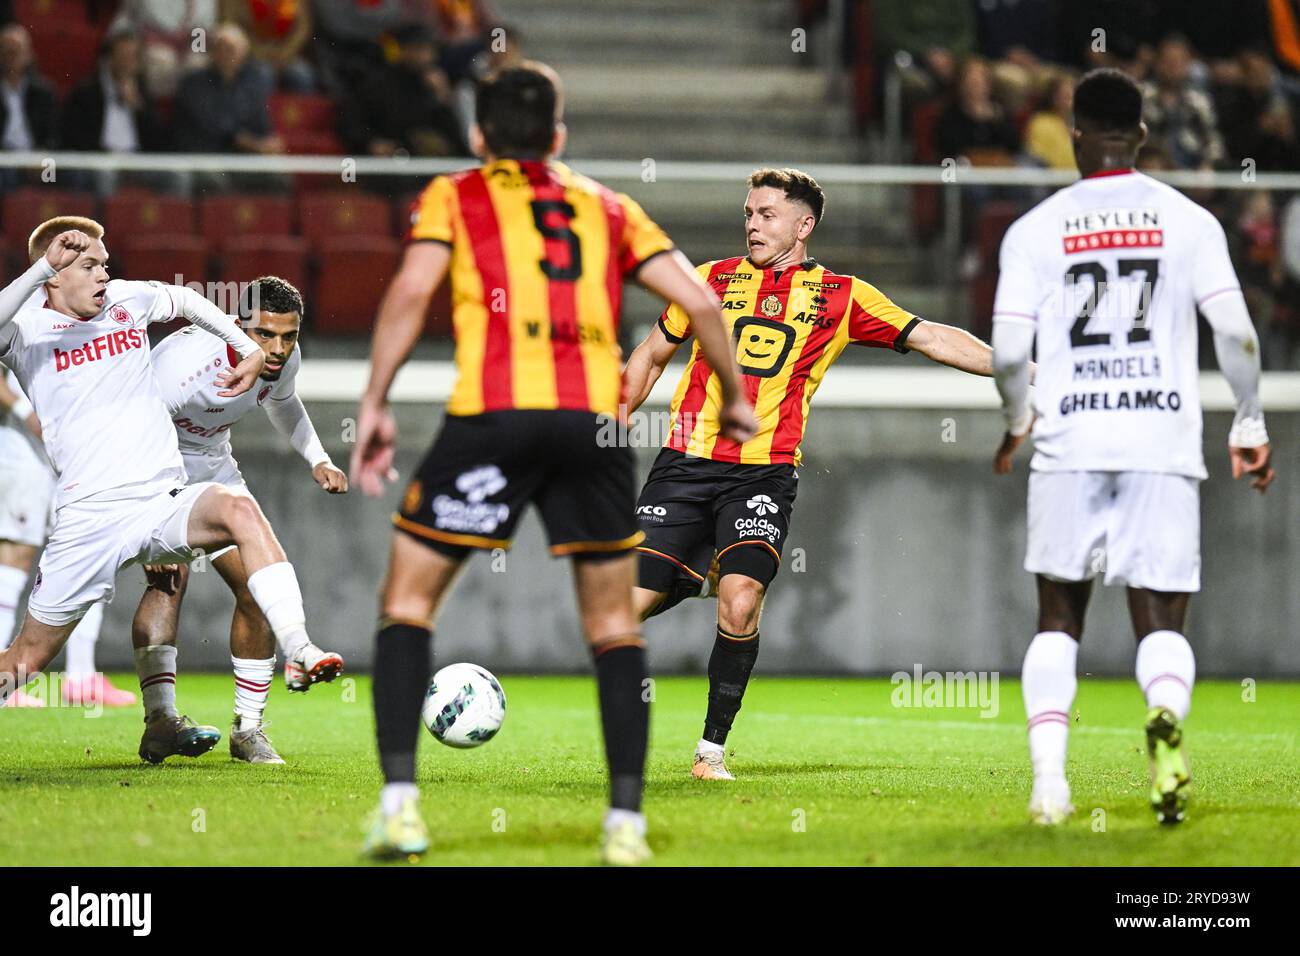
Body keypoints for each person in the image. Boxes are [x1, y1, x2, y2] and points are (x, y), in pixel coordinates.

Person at [350, 62, 757, 865]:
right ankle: (625, 829)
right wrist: (738, 399)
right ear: (560, 137)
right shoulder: (609, 208)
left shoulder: (455, 195)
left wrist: (374, 401)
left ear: (478, 135)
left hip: (492, 420)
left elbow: (409, 291)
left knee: (407, 603)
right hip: (591, 429)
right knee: (611, 623)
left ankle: (400, 810)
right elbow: (703, 302)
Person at [621, 167, 1003, 782]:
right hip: (684, 469)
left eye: (767, 214)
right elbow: (650, 355)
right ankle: (691, 576)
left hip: (763, 475)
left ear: (804, 225)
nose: (752, 224)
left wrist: (1016, 368)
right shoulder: (709, 280)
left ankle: (710, 752)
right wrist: (613, 415)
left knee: (741, 601)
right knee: (625, 607)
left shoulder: (842, 296)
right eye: (749, 212)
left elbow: (929, 336)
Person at [991, 68, 1275, 827]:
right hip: (1162, 442)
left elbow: (1010, 353)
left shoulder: (1036, 229)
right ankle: (1166, 721)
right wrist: (1249, 419)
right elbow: (1238, 333)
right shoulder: (1190, 222)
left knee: (1058, 618)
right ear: (1143, 135)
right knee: (1161, 621)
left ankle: (1050, 787)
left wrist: (1020, 416)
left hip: (1070, 439)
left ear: (1076, 133)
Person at [0, 218, 343, 767]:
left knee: (238, 509)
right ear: (54, 274)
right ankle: (160, 717)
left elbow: (186, 297)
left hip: (161, 499)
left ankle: (299, 648)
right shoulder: (24, 331)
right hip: (89, 517)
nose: (105, 274)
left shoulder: (126, 301)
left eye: (105, 262)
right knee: (27, 660)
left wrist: (244, 348)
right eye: (90, 265)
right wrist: (41, 267)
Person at [130, 276, 347, 764]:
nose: (276, 348)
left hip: (215, 468)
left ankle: (248, 729)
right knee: (168, 581)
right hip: (152, 465)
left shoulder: (283, 359)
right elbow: (138, 432)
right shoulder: (184, 364)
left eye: (288, 336)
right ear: (233, 324)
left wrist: (318, 458)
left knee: (256, 588)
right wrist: (149, 518)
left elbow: (285, 402)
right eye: (263, 334)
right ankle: (160, 721)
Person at [0, 371, 131, 708]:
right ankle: (4, 675)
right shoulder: (18, 319)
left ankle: (81, 676)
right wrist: (28, 415)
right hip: (24, 456)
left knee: (92, 554)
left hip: (76, 459)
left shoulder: (89, 324)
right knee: (14, 557)